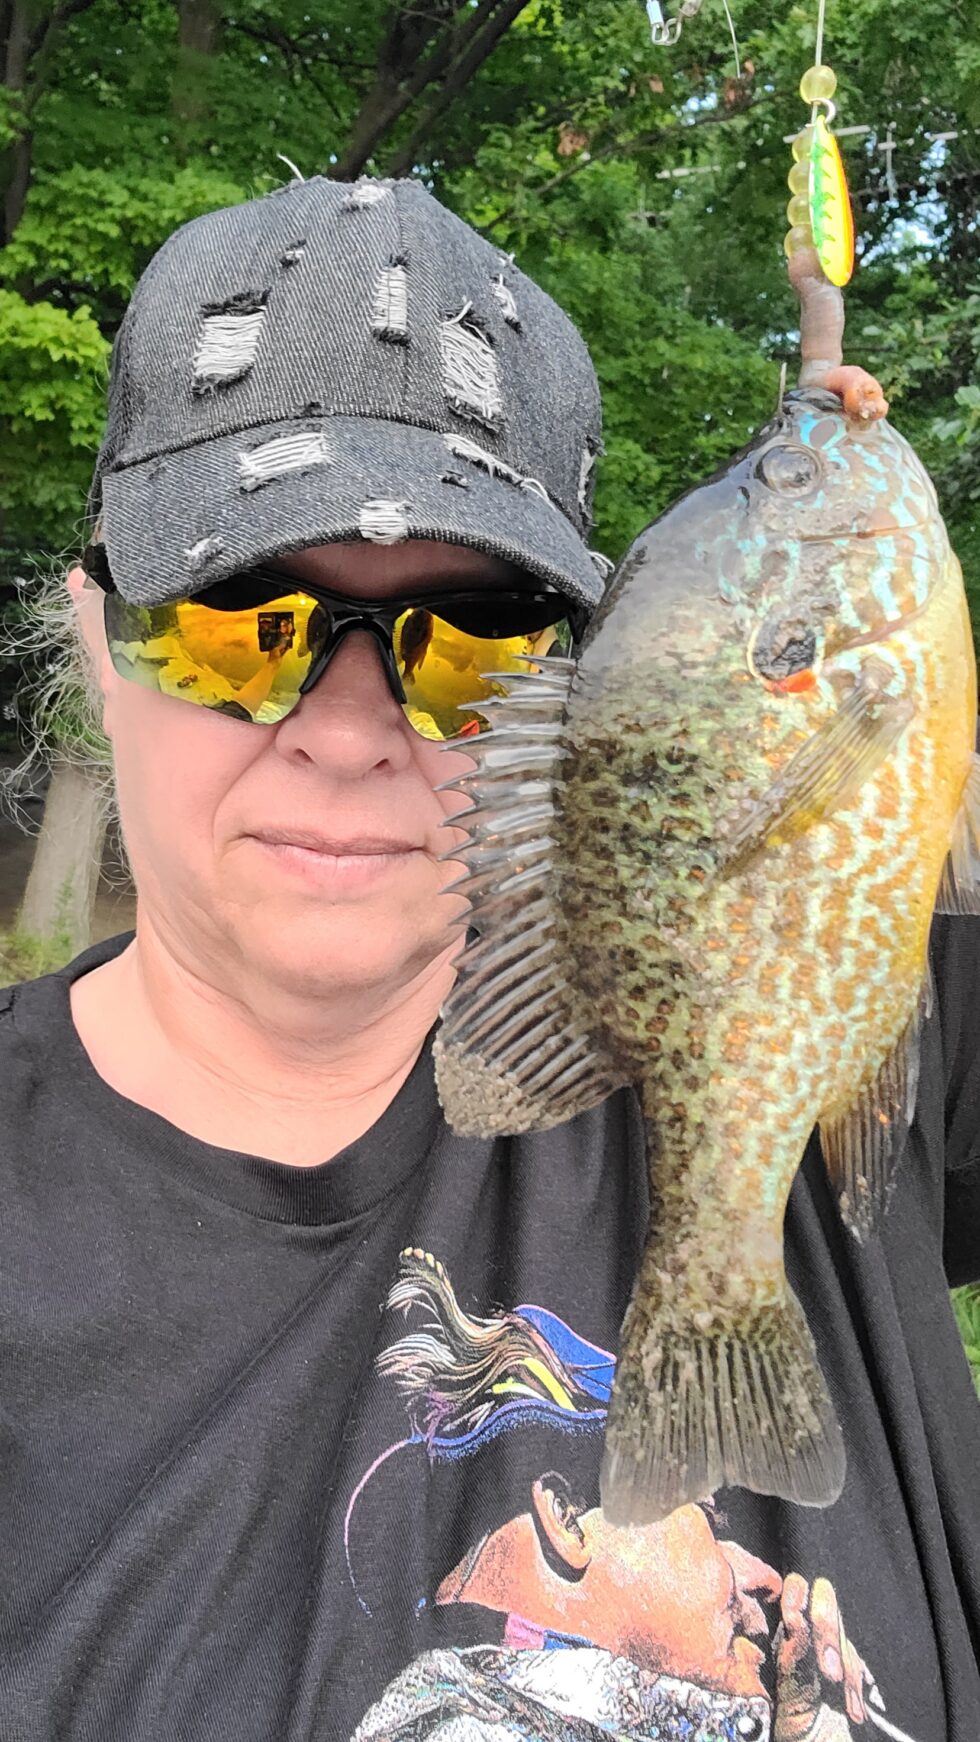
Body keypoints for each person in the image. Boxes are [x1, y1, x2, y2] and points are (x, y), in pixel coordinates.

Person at [0, 173, 976, 1742]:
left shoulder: (809, 996)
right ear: (97, 642)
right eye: (240, 622)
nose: (347, 724)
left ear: (578, 703)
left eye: (470, 639)